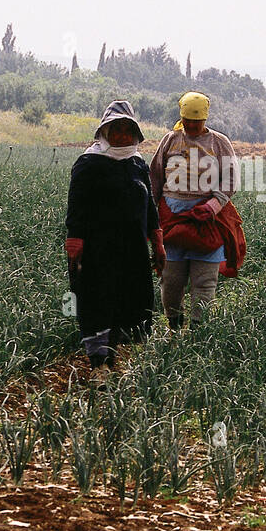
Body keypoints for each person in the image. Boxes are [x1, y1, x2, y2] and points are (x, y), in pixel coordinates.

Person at [65, 101, 165, 370]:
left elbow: (149, 207)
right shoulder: (89, 163)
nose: (122, 135)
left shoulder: (137, 163)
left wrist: (157, 239)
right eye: (115, 129)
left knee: (127, 299)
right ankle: (98, 362)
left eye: (127, 129)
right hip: (97, 250)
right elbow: (76, 205)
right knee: (96, 299)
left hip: (131, 249)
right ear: (104, 132)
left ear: (135, 134)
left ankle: (111, 354)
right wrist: (74, 240)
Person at [148, 92, 240, 329]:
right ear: (182, 116)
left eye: (196, 122)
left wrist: (213, 205)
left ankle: (199, 331)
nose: (191, 125)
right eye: (187, 120)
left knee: (204, 281)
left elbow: (231, 179)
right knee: (171, 280)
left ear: (205, 119)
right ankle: (174, 327)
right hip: (172, 217)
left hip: (207, 220)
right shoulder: (170, 140)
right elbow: (155, 176)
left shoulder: (219, 143)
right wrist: (154, 215)